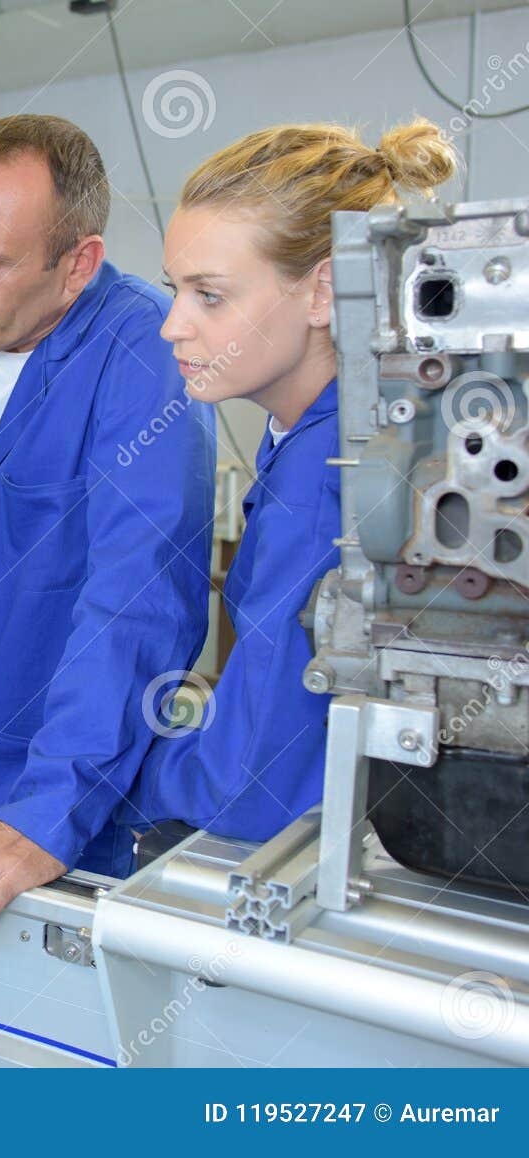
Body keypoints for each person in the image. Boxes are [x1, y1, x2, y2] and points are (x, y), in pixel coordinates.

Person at [0, 114, 215, 950]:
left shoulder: (142, 355)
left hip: (83, 769)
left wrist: (45, 816)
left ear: (78, 264)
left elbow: (139, 600)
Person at [120, 120, 457, 850]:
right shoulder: (353, 434)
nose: (172, 326)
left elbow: (250, 788)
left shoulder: (322, 483)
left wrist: (113, 775)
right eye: (174, 290)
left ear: (322, 292)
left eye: (209, 296)